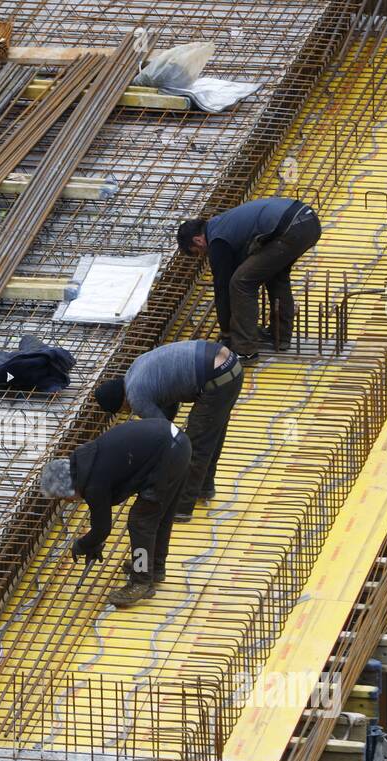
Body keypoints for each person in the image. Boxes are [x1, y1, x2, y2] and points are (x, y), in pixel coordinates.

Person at [39, 417, 190, 608]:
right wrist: (91, 543)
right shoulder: (85, 461)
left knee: (141, 522)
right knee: (159, 514)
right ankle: (155, 567)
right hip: (177, 445)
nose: (68, 501)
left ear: (68, 488)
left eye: (63, 497)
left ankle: (141, 580)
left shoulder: (93, 483)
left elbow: (102, 529)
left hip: (168, 456)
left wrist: (83, 545)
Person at [94, 337, 241, 521]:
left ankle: (182, 507)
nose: (128, 411)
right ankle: (204, 486)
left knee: (194, 445)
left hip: (218, 376)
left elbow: (165, 435)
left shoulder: (136, 397)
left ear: (121, 403)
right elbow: (169, 401)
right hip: (227, 361)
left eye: (124, 410)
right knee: (211, 432)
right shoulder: (135, 369)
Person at [176, 197, 321, 362]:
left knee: (241, 283)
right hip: (308, 222)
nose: (202, 256)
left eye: (197, 252)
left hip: (290, 228)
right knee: (275, 276)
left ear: (198, 240)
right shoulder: (220, 224)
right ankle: (280, 336)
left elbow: (222, 288)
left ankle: (245, 350)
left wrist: (226, 330)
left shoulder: (216, 241)